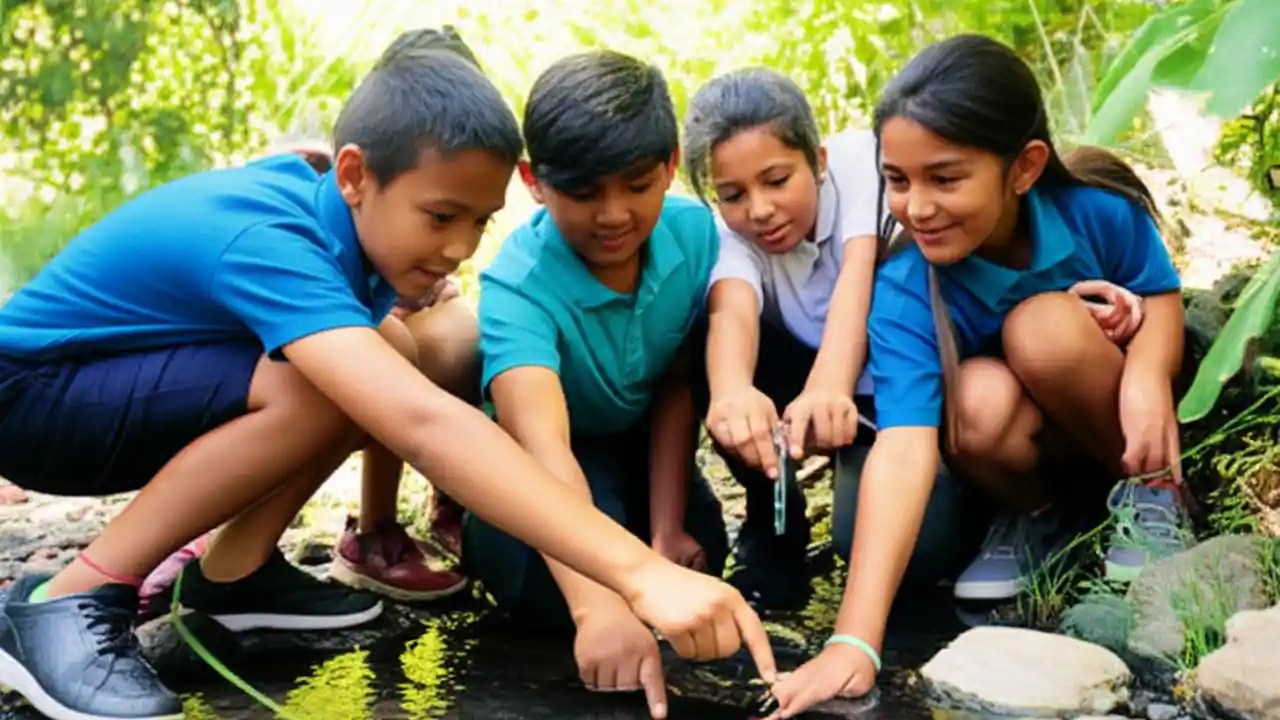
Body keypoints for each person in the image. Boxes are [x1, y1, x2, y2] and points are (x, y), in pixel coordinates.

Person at [0, 38, 775, 720]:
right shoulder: (268, 235)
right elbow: (425, 423)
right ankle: (70, 596)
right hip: (33, 399)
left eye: (479, 222)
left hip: (101, 394)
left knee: (388, 353)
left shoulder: (335, 224)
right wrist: (635, 575)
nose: (461, 248)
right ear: (354, 174)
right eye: (441, 217)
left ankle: (231, 578)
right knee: (338, 378)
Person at [762, 35, 1189, 718]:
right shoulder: (903, 288)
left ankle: (1154, 496)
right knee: (977, 398)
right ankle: (1044, 520)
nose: (917, 206)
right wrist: (854, 641)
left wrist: (1145, 378)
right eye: (898, 181)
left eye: (946, 178)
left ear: (1023, 168)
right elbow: (904, 449)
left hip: (1114, 427)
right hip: (1023, 451)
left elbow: (1160, 295)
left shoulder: (1095, 213)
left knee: (1041, 329)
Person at [463, 50, 730, 720]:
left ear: (670, 164)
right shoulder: (517, 283)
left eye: (638, 186)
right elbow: (542, 447)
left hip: (638, 446)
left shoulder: (697, 236)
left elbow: (677, 382)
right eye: (582, 194)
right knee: (544, 591)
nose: (613, 215)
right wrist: (598, 608)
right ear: (534, 182)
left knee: (700, 552)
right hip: (545, 463)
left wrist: (668, 524)